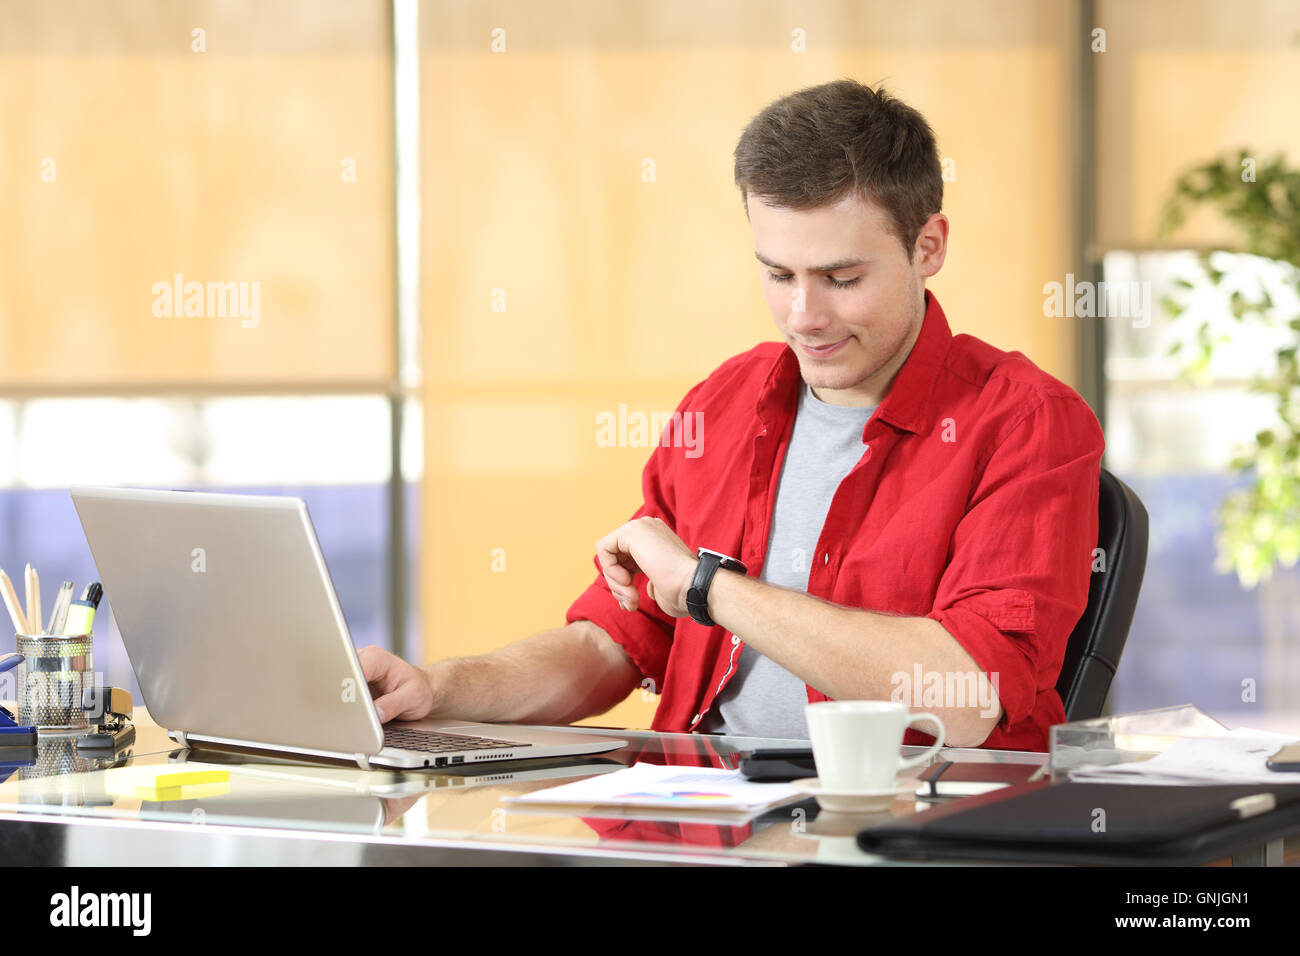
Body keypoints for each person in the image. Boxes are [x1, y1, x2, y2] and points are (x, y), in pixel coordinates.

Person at [360, 78, 1103, 752]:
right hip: (704, 820)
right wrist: (440, 688)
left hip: (911, 831)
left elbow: (967, 697)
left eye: (841, 278)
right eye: (777, 274)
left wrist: (708, 589)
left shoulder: (1028, 422)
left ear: (929, 246)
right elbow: (616, 641)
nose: (804, 315)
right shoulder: (726, 402)